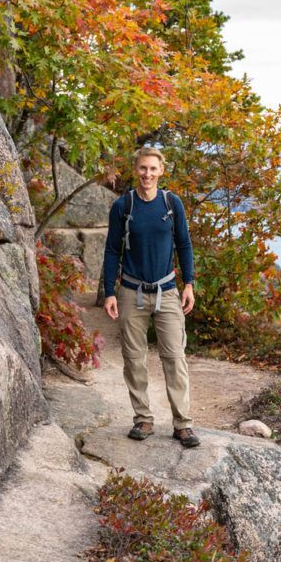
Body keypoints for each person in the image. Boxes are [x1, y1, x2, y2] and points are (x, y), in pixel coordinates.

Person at [102, 144, 200, 448]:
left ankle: (182, 424)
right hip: (131, 291)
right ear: (136, 169)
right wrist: (109, 292)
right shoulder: (123, 206)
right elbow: (111, 250)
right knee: (134, 359)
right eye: (143, 168)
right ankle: (143, 419)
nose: (147, 174)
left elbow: (184, 244)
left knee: (174, 356)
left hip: (167, 290)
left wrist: (189, 283)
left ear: (161, 171)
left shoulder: (172, 204)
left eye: (153, 169)